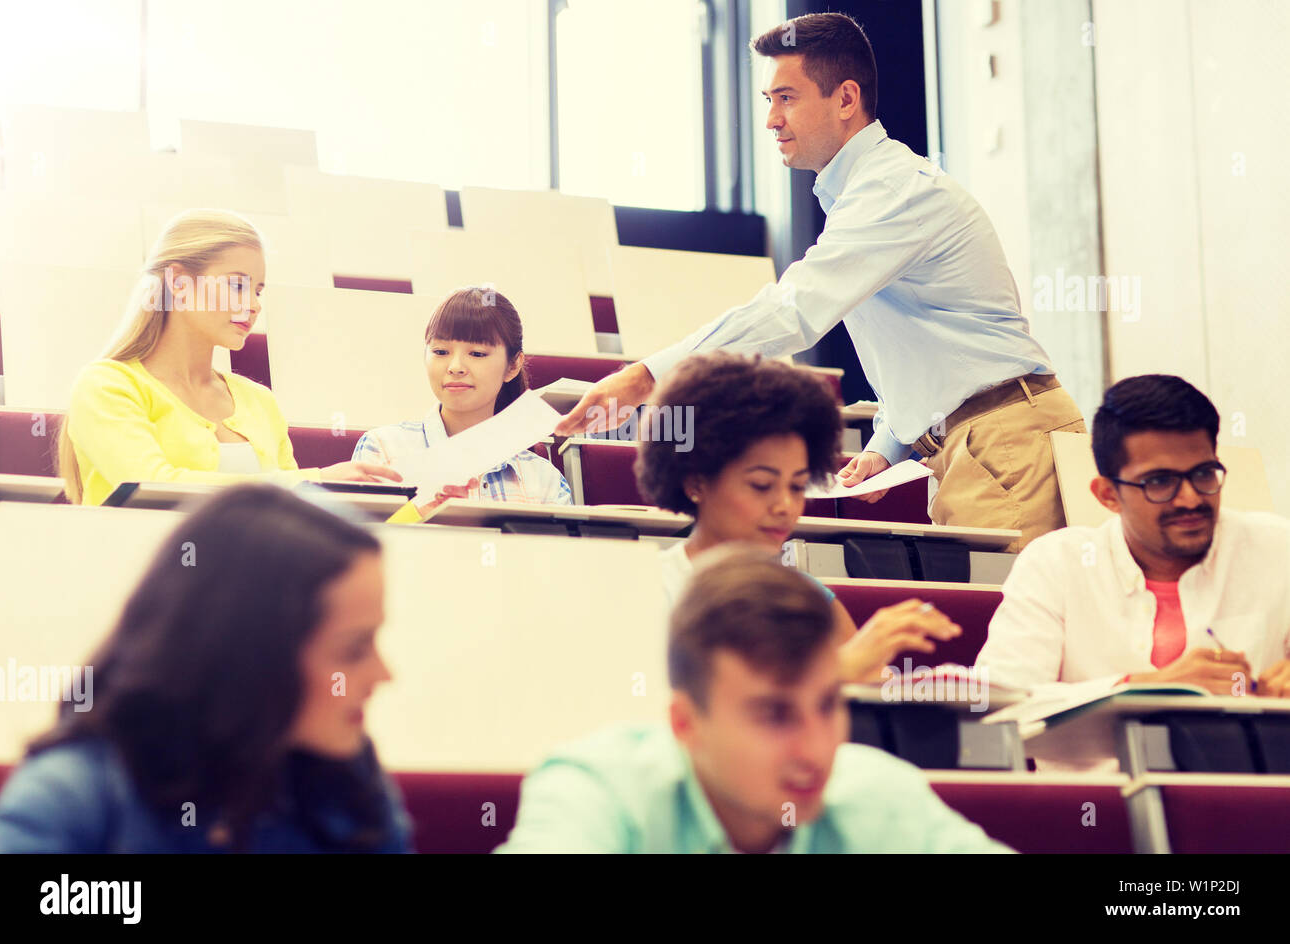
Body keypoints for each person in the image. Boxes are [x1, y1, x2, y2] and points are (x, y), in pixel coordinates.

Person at [556, 12, 1083, 552]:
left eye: (787, 98)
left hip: (1003, 440)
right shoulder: (866, 192)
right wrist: (888, 443)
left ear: (846, 99)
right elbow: (931, 344)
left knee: (1012, 628)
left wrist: (647, 375)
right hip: (979, 441)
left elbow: (795, 311)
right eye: (768, 100)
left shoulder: (893, 190)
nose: (771, 120)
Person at [497, 545, 1010, 853]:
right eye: (773, 715)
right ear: (685, 724)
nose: (814, 750)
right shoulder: (597, 792)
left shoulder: (880, 795)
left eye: (828, 705)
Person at [0, 484, 411, 853]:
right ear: (251, 653)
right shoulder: (72, 797)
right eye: (354, 649)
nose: (385, 675)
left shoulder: (348, 779)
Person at [635, 352, 962, 682]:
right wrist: (834, 671)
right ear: (696, 482)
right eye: (762, 486)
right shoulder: (646, 588)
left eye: (796, 487)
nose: (785, 506)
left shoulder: (805, 596)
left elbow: (872, 696)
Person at [976, 375, 1290, 697]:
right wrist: (1143, 688)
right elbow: (1003, 699)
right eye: (1160, 482)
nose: (1191, 499)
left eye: (1203, 474)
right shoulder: (1055, 563)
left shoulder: (1276, 548)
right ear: (1107, 495)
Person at [59, 209, 400, 505]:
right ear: (178, 281)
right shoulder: (105, 385)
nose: (253, 305)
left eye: (258, 290)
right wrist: (315, 480)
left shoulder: (260, 401)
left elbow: (292, 515)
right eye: (237, 285)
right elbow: (151, 486)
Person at [355, 287, 571, 524]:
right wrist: (417, 515)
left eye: (477, 353)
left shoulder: (543, 479)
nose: (455, 366)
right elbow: (354, 553)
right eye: (440, 351)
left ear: (513, 366)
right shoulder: (382, 450)